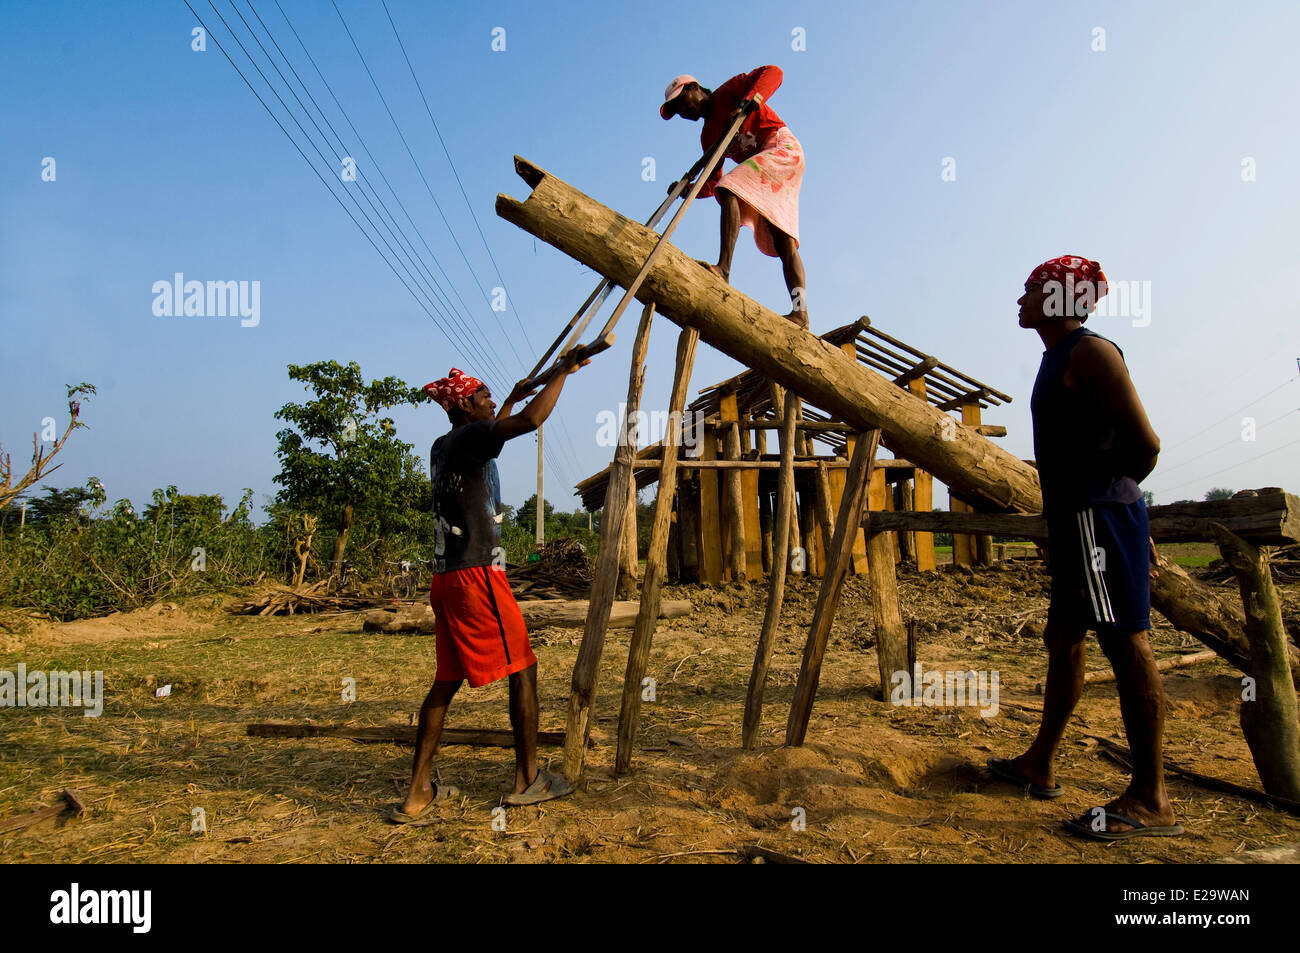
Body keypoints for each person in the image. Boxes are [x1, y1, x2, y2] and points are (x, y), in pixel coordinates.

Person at [988, 255, 1181, 841]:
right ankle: (1038, 763)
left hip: (1099, 520)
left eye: (1029, 291)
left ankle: (1151, 798)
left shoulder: (1091, 353)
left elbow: (1145, 444)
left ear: (1058, 299)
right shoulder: (1057, 358)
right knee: (1063, 639)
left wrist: (1114, 506)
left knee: (1126, 646)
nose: (1019, 300)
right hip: (1077, 523)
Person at [390, 353, 585, 823]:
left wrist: (513, 395)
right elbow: (532, 420)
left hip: (446, 578)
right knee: (524, 669)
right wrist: (565, 370)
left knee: (446, 681)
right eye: (483, 397)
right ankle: (527, 779)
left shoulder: (444, 444)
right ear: (465, 408)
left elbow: (499, 423)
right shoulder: (473, 437)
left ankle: (418, 791)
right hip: (477, 576)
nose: (490, 400)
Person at [660, 65, 809, 328]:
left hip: (780, 148)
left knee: (730, 188)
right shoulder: (708, 136)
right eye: (678, 113)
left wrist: (748, 102)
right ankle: (801, 314)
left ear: (695, 88)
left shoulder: (728, 91)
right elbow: (713, 181)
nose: (684, 113)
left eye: (683, 104)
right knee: (783, 240)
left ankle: (723, 269)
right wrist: (688, 191)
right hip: (766, 170)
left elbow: (774, 72)